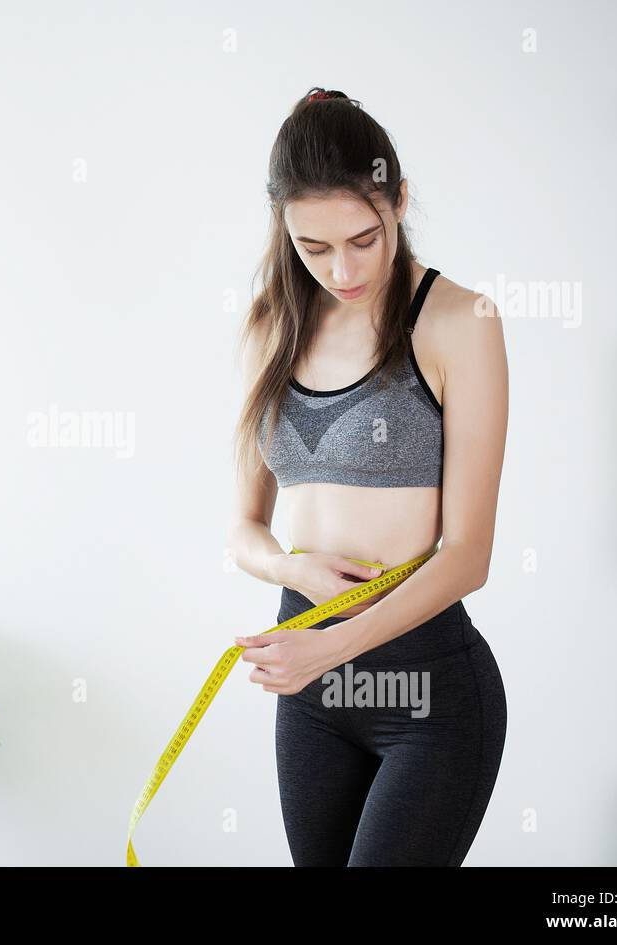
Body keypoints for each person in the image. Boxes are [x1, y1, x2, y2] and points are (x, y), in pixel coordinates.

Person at [225, 87, 509, 866]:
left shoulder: (459, 322)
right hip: (311, 700)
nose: (342, 269)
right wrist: (289, 570)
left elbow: (468, 556)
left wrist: (332, 645)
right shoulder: (270, 326)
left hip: (427, 696)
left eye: (364, 237)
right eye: (314, 248)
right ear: (283, 223)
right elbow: (243, 530)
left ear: (399, 201)